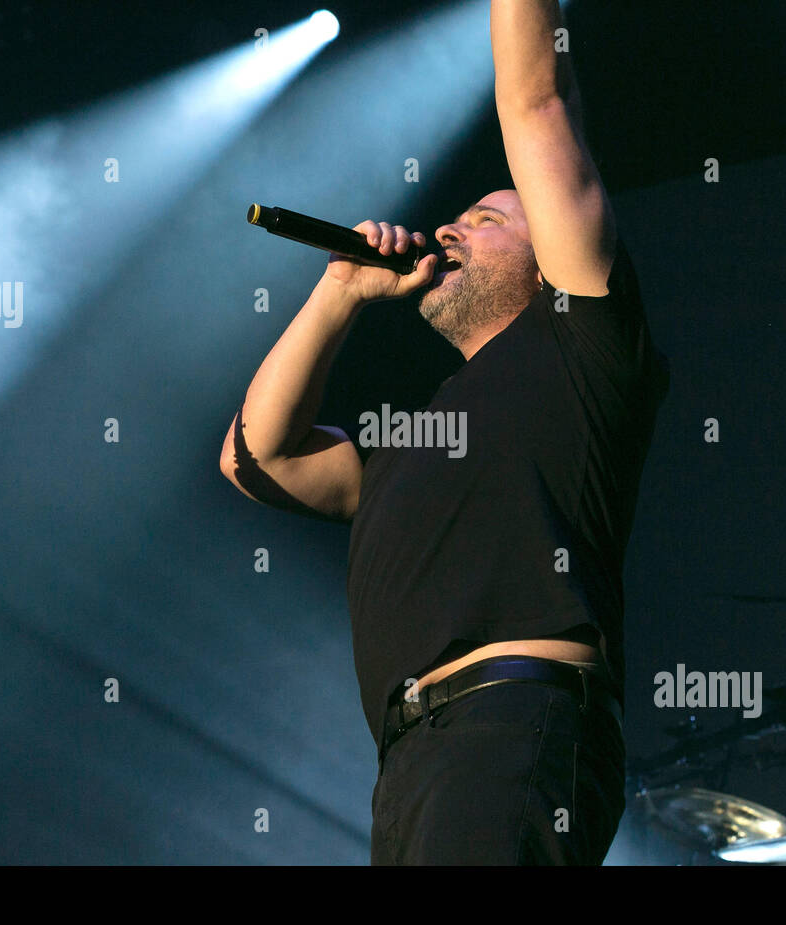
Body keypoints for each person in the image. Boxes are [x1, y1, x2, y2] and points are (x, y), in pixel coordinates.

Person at [220, 0, 668, 864]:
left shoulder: (583, 343)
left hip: (511, 726)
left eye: (491, 219)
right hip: (413, 762)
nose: (453, 226)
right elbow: (255, 458)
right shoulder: (406, 440)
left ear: (553, 265)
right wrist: (339, 295)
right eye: (459, 215)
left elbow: (537, 101)